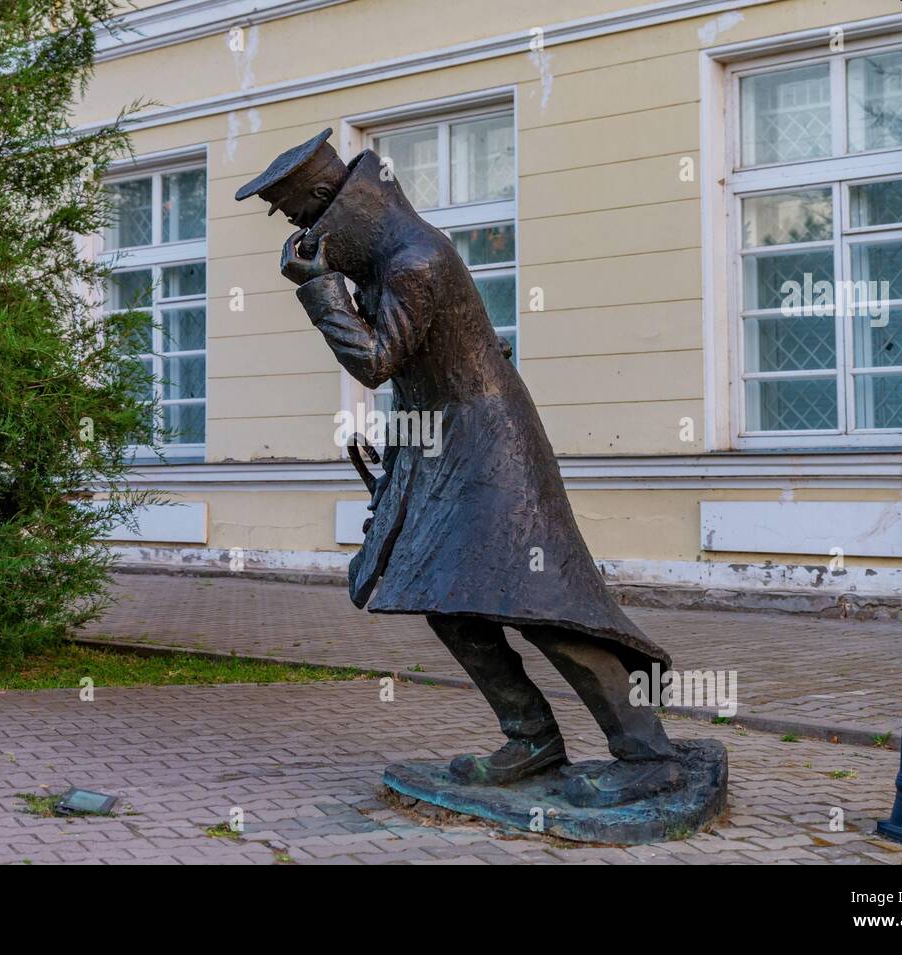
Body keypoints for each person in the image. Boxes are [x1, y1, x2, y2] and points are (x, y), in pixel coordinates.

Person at [236, 129, 680, 806]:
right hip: (446, 446)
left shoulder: (416, 262)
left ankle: (647, 755)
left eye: (308, 224)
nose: (307, 240)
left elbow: (374, 361)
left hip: (490, 449)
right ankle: (531, 735)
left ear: (334, 205)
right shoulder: (393, 262)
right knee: (447, 599)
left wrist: (320, 287)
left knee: (544, 604)